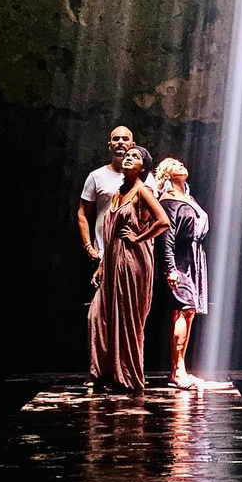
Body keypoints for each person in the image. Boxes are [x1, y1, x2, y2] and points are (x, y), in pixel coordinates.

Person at [87, 146, 169, 391]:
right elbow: (109, 233)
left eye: (136, 156)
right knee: (97, 316)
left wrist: (139, 237)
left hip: (132, 262)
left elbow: (163, 221)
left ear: (143, 167)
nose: (129, 157)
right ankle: (105, 373)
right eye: (128, 155)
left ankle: (128, 378)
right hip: (112, 262)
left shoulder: (142, 191)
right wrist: (101, 266)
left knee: (126, 319)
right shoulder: (116, 194)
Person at [154, 157, 209, 390]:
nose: (181, 165)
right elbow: (166, 237)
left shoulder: (187, 198)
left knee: (189, 312)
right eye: (175, 165)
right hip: (180, 259)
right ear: (167, 175)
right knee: (183, 310)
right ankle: (178, 371)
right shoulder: (168, 201)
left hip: (194, 257)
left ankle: (181, 368)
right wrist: (170, 269)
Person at [78, 126, 158, 261]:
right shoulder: (96, 176)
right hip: (103, 251)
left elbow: (156, 218)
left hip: (134, 253)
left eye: (125, 139)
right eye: (116, 139)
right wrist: (88, 246)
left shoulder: (146, 179)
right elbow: (82, 212)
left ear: (133, 145)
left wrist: (142, 240)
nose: (120, 142)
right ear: (110, 145)